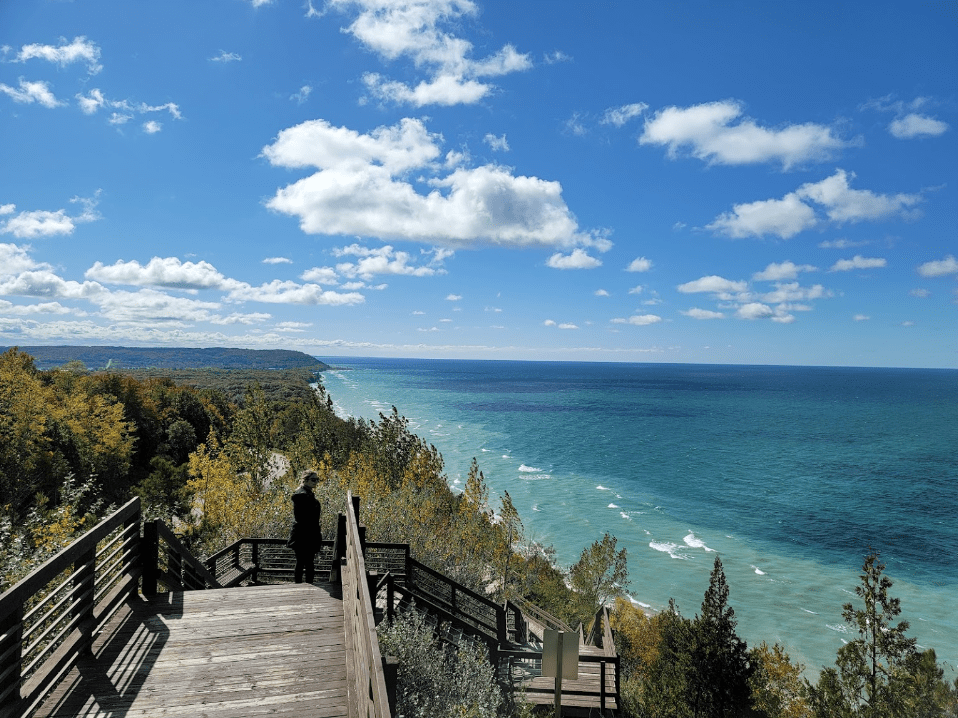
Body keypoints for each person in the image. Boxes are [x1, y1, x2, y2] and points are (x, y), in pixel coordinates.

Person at [287, 470, 322, 583]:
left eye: (317, 479)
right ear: (305, 480)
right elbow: (304, 518)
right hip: (303, 535)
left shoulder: (306, 494)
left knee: (305, 562)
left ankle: (304, 587)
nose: (316, 482)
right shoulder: (302, 495)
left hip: (306, 533)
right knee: (305, 562)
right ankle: (303, 587)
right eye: (313, 479)